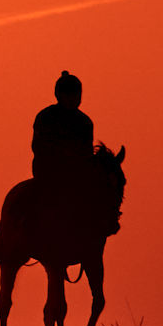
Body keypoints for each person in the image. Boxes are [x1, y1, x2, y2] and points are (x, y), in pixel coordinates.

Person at [31, 71, 118, 235]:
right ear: (59, 95)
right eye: (69, 95)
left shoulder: (84, 122)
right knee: (45, 196)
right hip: (48, 171)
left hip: (76, 173)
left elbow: (86, 151)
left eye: (76, 95)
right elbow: (39, 147)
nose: (73, 99)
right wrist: (64, 158)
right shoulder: (46, 117)